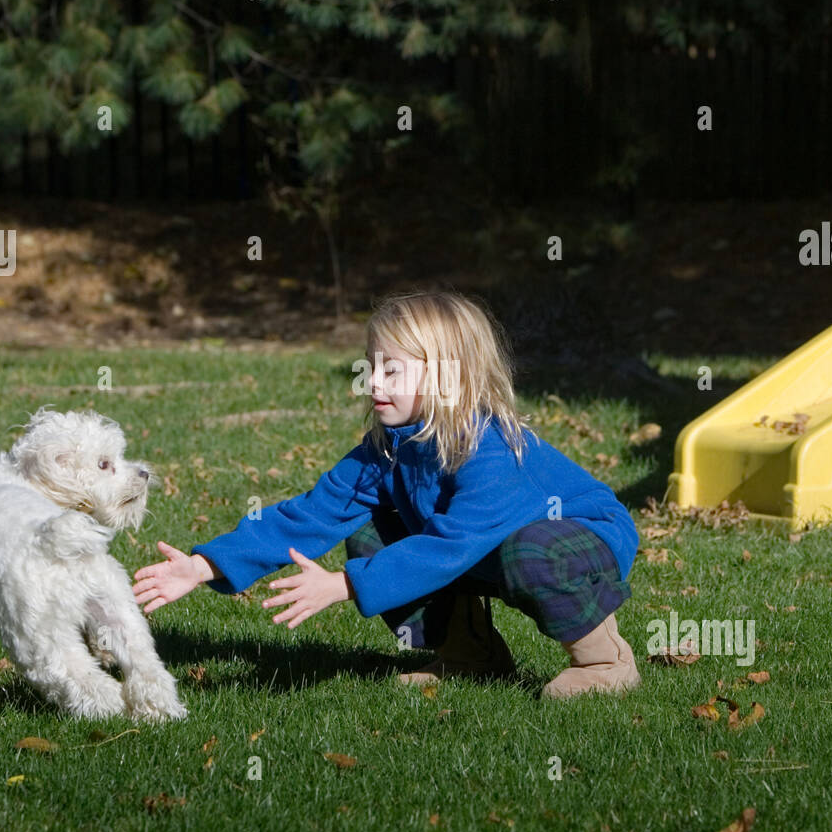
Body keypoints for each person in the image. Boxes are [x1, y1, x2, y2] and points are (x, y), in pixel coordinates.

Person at [132, 290, 642, 699]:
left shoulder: (490, 450)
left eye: (391, 369)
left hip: (578, 542)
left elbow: (448, 547)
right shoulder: (385, 450)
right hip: (481, 548)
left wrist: (344, 586)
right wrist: (204, 566)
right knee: (375, 529)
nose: (372, 381)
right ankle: (470, 656)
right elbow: (307, 517)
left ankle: (605, 661)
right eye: (372, 365)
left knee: (529, 552)